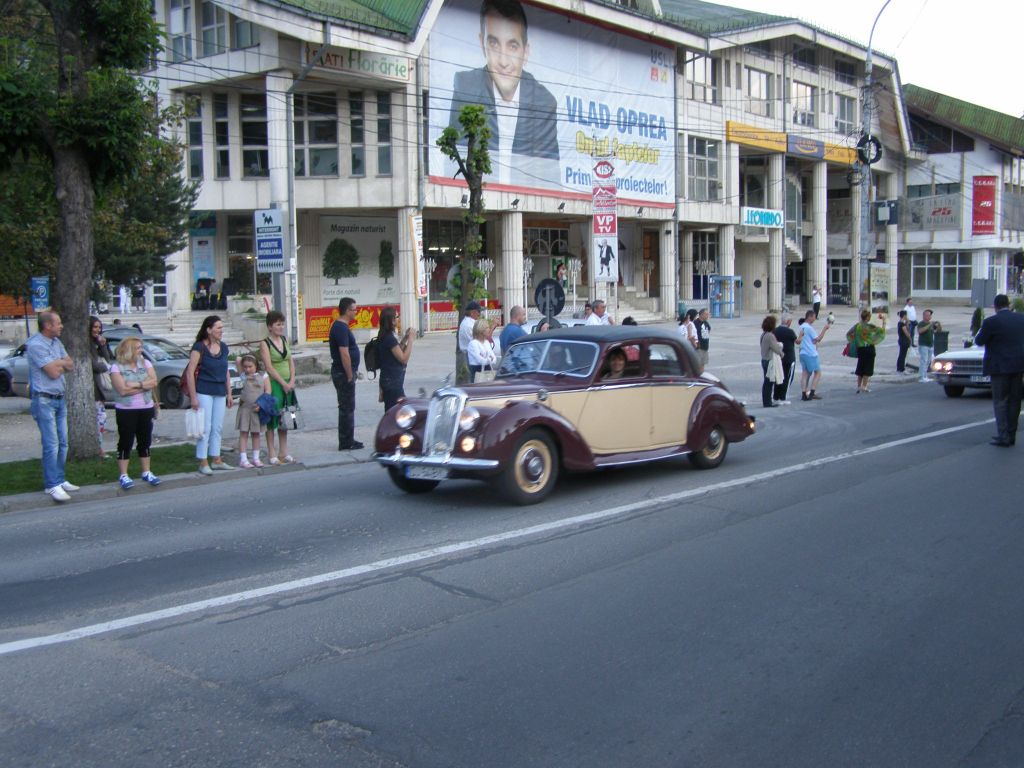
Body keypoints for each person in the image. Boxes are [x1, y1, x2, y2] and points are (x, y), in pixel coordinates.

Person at [447, 0, 559, 187]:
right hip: (477, 195)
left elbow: (551, 178)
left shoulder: (544, 102)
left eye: (513, 46)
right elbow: (452, 164)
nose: (504, 61)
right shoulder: (465, 87)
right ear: (482, 44)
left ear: (526, 52)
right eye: (494, 44)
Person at [26, 310, 77, 503]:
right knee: (51, 444)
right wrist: (59, 364)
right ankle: (51, 484)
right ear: (48, 325)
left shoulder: (57, 342)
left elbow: (70, 365)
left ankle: (60, 478)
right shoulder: (36, 345)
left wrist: (59, 363)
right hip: (44, 399)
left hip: (59, 397)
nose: (61, 326)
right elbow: (53, 372)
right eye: (58, 323)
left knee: (63, 442)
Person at [184, 315, 236, 474]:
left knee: (217, 427)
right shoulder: (199, 347)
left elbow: (225, 371)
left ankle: (216, 459)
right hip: (204, 391)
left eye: (222, 327)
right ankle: (203, 461)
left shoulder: (224, 347)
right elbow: (190, 372)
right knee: (204, 427)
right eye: (218, 327)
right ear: (209, 329)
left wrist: (229, 393)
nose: (221, 330)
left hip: (220, 391)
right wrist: (193, 397)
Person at [109, 335, 161, 489]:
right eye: (138, 348)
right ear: (129, 350)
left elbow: (153, 382)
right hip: (126, 409)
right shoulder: (116, 367)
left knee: (145, 440)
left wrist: (135, 384)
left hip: (146, 407)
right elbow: (122, 390)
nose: (141, 351)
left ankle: (146, 471)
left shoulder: (146, 363)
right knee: (126, 441)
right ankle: (123, 474)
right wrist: (143, 385)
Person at [974, 294, 1024, 447]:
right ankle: (1011, 434)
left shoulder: (991, 322)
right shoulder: (1021, 319)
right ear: (1008, 304)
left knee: (1000, 401)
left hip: (999, 367)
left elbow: (979, 341)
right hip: (1018, 366)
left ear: (995, 306)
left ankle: (1003, 436)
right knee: (1015, 401)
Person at [259, 310, 297, 465]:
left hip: (288, 383)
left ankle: (283, 451)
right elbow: (269, 367)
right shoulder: (265, 343)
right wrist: (283, 383)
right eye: (277, 324)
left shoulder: (284, 339)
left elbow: (290, 361)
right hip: (275, 384)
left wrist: (292, 380)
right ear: (270, 326)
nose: (281, 327)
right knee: (273, 418)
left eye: (282, 324)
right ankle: (272, 452)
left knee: (285, 417)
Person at [330, 297, 363, 450]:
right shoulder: (340, 328)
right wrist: (349, 375)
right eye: (354, 309)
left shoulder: (342, 327)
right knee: (346, 408)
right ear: (347, 310)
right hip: (343, 374)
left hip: (344, 373)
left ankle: (349, 438)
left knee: (349, 407)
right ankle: (345, 442)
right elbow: (344, 353)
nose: (356, 312)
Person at [234, 354, 270, 468]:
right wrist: (246, 357)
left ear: (256, 366)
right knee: (243, 433)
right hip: (245, 409)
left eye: (250, 366)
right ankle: (243, 459)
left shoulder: (263, 375)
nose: (247, 369)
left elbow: (268, 391)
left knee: (256, 434)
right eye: (245, 367)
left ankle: (256, 458)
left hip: (257, 409)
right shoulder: (243, 376)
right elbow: (238, 359)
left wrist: (261, 404)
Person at [377, 306, 414, 410]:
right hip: (392, 383)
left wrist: (405, 338)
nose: (399, 319)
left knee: (394, 411)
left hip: (389, 381)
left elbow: (396, 351)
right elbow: (403, 359)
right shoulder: (389, 338)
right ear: (392, 321)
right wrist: (411, 340)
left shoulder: (386, 336)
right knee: (397, 413)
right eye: (397, 316)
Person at [89, 315, 113, 457]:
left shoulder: (96, 342)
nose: (97, 330)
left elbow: (107, 357)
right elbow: (95, 365)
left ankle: (99, 447)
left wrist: (102, 344)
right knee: (99, 417)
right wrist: (106, 367)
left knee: (101, 418)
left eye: (99, 327)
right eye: (94, 327)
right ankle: (99, 448)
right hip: (93, 386)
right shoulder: (86, 344)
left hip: (99, 387)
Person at [847, 309, 887, 393]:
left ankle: (858, 386)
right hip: (869, 348)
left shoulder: (857, 326)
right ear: (868, 317)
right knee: (868, 367)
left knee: (860, 366)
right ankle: (864, 386)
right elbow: (881, 332)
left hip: (860, 349)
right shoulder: (870, 327)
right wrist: (884, 321)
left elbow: (849, 334)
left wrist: (856, 341)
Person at [797, 309, 831, 401]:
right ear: (810, 317)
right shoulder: (809, 328)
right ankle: (812, 392)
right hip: (810, 353)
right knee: (818, 373)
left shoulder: (801, 326)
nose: (815, 319)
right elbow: (817, 339)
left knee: (805, 373)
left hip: (803, 352)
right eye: (814, 317)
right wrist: (825, 329)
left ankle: (804, 394)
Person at [759, 315, 784, 408]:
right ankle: (767, 402)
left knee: (766, 382)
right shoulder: (770, 336)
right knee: (769, 382)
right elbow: (776, 348)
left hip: (764, 359)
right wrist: (782, 353)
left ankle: (766, 401)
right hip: (769, 360)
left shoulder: (764, 334)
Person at [772, 313, 797, 404]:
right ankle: (783, 397)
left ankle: (776, 396)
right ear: (788, 321)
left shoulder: (775, 331)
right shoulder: (790, 332)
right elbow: (797, 341)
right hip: (789, 358)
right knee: (787, 377)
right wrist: (802, 335)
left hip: (778, 357)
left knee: (778, 377)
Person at [467, 317, 498, 381]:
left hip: (488, 371)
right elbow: (480, 360)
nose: (489, 329)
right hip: (477, 373)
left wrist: (487, 358)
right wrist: (489, 358)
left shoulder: (486, 342)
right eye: (487, 328)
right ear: (481, 330)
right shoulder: (473, 344)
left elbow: (494, 359)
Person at [916, 309, 941, 383]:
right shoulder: (921, 323)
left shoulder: (930, 324)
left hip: (930, 345)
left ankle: (925, 375)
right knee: (924, 360)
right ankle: (921, 377)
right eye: (928, 315)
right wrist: (929, 325)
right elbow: (920, 331)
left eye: (930, 315)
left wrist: (938, 326)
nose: (930, 317)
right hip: (923, 345)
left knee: (928, 361)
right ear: (924, 316)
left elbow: (936, 331)